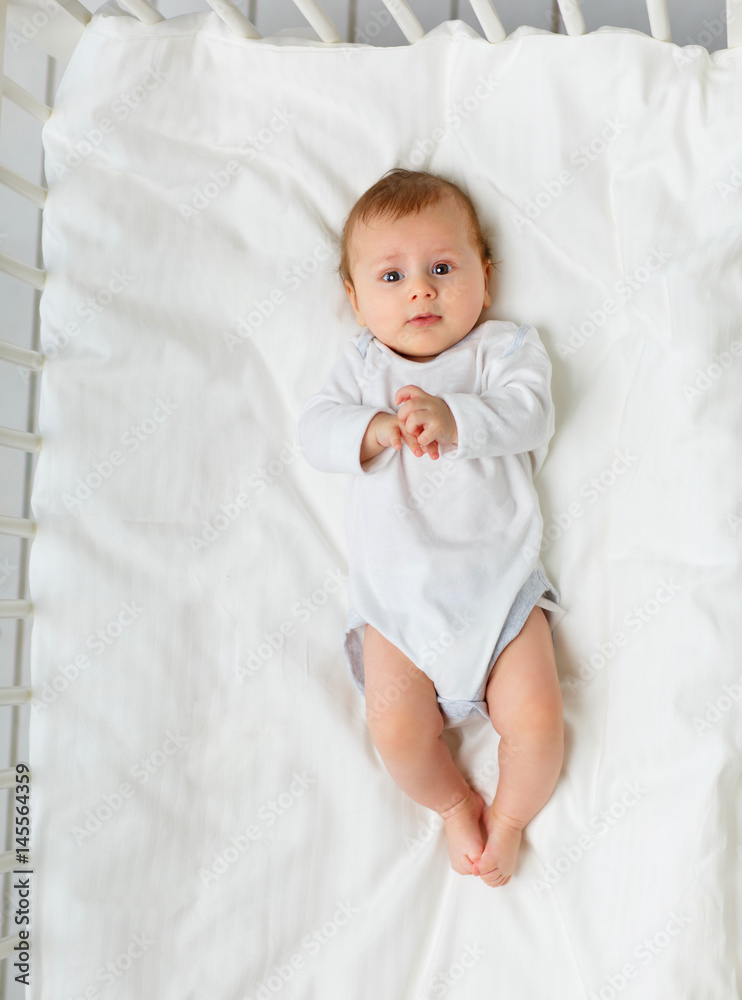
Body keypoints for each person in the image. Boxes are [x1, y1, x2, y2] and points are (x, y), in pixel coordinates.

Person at [298, 168, 566, 887]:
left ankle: (507, 822)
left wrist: (456, 418)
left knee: (539, 722)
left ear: (486, 276)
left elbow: (532, 412)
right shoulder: (361, 368)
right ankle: (453, 805)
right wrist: (374, 430)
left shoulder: (502, 351)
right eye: (391, 276)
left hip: (500, 598)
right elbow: (314, 434)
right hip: (398, 614)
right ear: (354, 301)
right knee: (395, 730)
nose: (420, 289)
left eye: (442, 268)